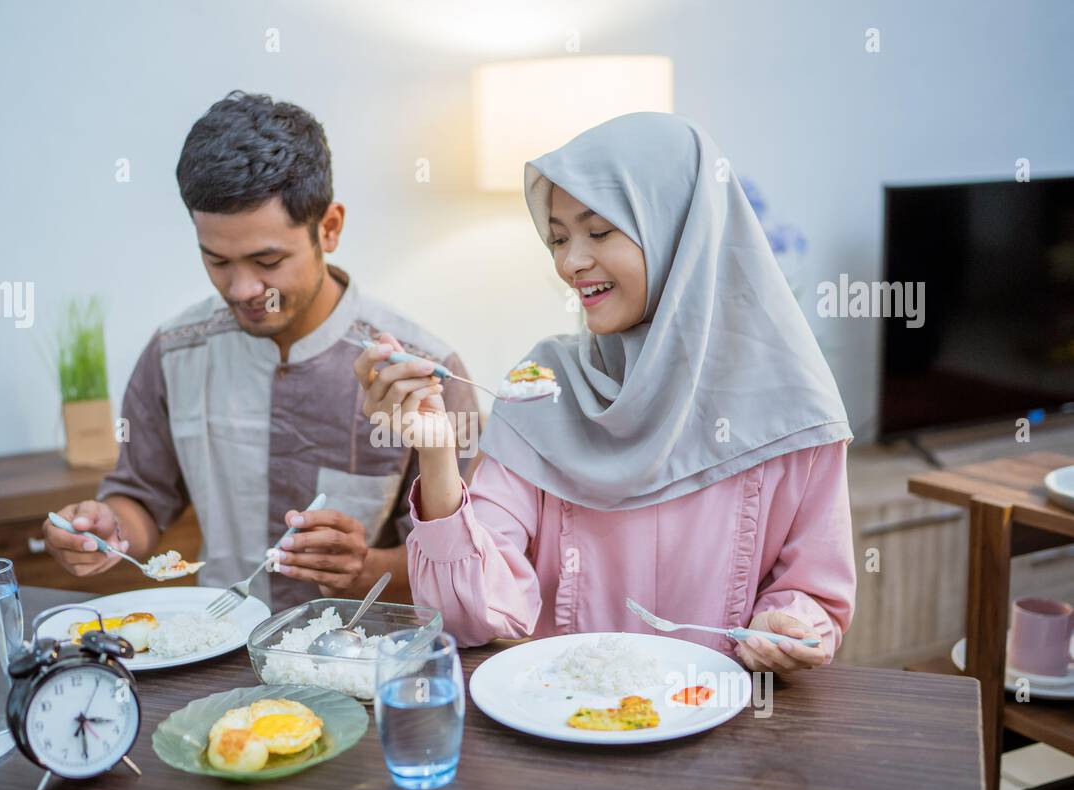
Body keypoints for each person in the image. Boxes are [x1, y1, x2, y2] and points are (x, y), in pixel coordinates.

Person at [354, 112, 856, 674]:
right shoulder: (542, 388)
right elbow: (469, 619)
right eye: (559, 238)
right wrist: (438, 452)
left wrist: (784, 627)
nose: (570, 263)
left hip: (720, 728)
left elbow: (814, 597)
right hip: (560, 723)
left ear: (678, 230)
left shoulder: (793, 407)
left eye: (599, 231)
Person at [44, 91, 479, 607]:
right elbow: (140, 498)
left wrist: (365, 569)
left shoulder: (422, 374)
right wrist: (104, 529)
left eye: (267, 261)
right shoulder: (175, 354)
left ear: (330, 228)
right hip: (219, 648)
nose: (241, 289)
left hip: (364, 656)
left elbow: (468, 559)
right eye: (217, 260)